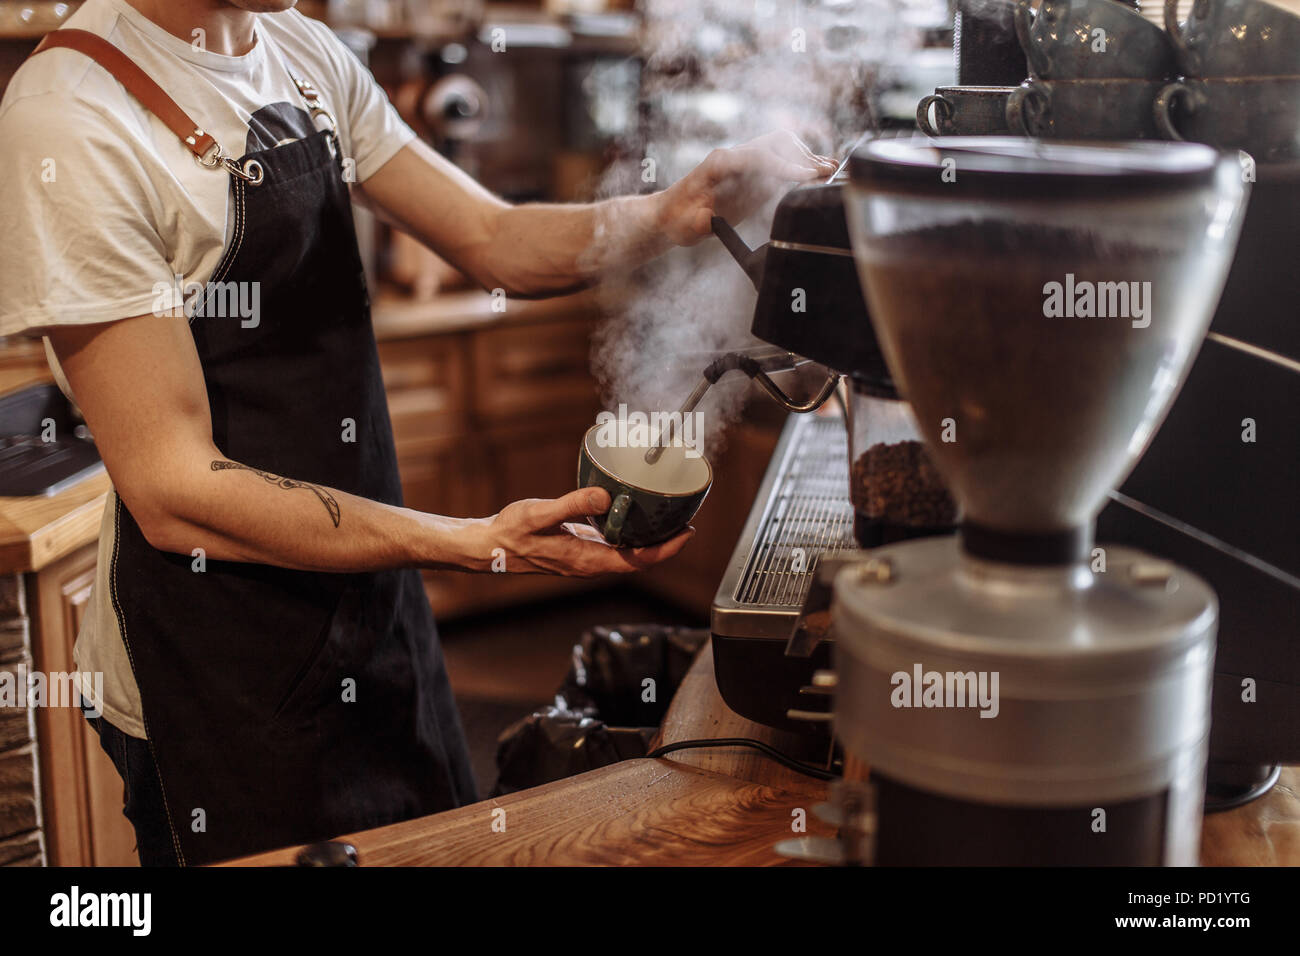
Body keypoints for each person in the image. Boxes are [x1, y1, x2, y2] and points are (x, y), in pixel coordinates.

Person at [0, 0, 836, 866]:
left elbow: (490, 236)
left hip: (375, 604)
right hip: (221, 655)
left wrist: (672, 210)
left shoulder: (294, 44)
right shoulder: (70, 118)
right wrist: (474, 543)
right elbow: (176, 490)